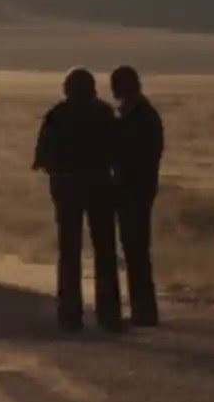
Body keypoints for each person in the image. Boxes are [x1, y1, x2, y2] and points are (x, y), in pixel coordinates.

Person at [33, 67, 124, 333]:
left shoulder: (57, 115)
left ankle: (70, 313)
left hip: (68, 187)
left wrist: (58, 174)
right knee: (105, 250)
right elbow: (119, 153)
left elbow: (42, 157)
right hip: (99, 185)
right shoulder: (104, 113)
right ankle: (109, 313)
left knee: (69, 251)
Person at [110, 65, 164, 327]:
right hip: (135, 188)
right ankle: (142, 307)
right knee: (134, 249)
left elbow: (135, 154)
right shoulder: (139, 114)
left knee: (136, 249)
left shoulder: (140, 116)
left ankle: (144, 309)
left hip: (135, 189)